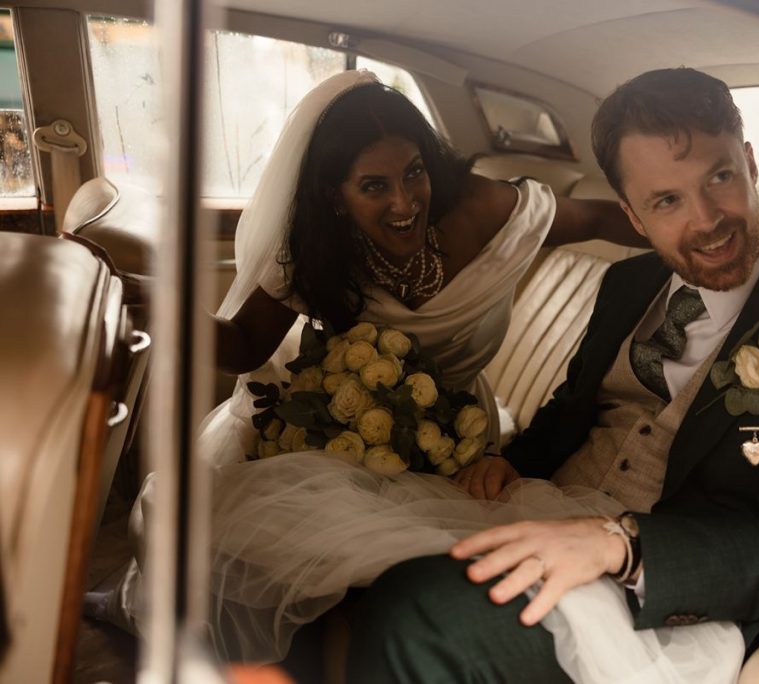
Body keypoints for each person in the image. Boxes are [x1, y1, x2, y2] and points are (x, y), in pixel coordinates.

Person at [345, 67, 759, 682]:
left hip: (663, 598)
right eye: (667, 201)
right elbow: (570, 410)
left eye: (719, 178)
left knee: (414, 611)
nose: (707, 220)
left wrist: (622, 547)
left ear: (751, 164)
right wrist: (510, 462)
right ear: (634, 216)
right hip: (543, 511)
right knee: (351, 552)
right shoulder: (627, 284)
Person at [90, 69, 649, 656]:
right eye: (374, 186)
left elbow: (598, 219)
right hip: (344, 436)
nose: (405, 202)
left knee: (418, 565)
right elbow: (244, 348)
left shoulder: (486, 209)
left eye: (414, 172)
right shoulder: (314, 250)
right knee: (248, 545)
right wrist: (164, 301)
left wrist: (700, 227)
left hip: (455, 435)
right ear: (335, 194)